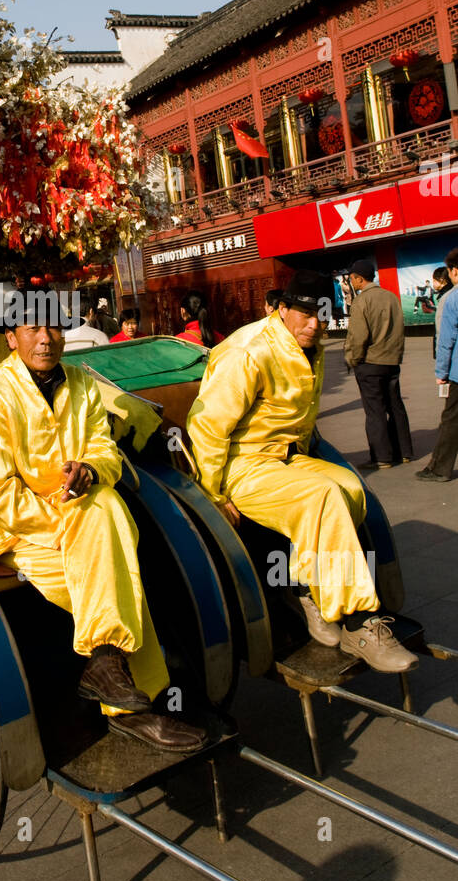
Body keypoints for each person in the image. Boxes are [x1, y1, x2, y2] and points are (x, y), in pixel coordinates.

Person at [0, 289, 207, 751]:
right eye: (33, 330)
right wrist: (65, 523)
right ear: (12, 339)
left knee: (107, 513)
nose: (46, 339)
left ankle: (109, 669)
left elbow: (103, 447)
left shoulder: (83, 384)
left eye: (53, 328)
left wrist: (90, 469)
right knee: (117, 576)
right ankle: (135, 705)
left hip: (80, 515)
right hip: (12, 534)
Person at [186, 271, 417, 672]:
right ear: (282, 309)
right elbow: (207, 427)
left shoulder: (309, 346)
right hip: (244, 464)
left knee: (350, 487)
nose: (314, 324)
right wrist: (213, 495)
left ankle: (306, 586)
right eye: (305, 314)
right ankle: (358, 622)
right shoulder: (248, 351)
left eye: (322, 316)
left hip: (289, 457)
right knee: (322, 495)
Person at [344, 259, 412, 471]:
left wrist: (352, 359)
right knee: (396, 406)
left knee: (375, 411)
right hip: (391, 362)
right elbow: (400, 329)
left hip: (370, 363)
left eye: (352, 278)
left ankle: (382, 457)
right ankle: (404, 453)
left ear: (359, 278)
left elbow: (358, 337)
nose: (351, 282)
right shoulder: (391, 297)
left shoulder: (361, 302)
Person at [417, 248, 458, 483]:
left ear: (454, 271)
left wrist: (441, 372)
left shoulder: (452, 298)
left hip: (457, 373)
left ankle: (439, 469)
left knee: (451, 421)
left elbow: (446, 339)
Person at [432, 266, 453, 359]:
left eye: (433, 280)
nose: (433, 283)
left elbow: (443, 329)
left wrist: (441, 354)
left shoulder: (446, 297)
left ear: (441, 280)